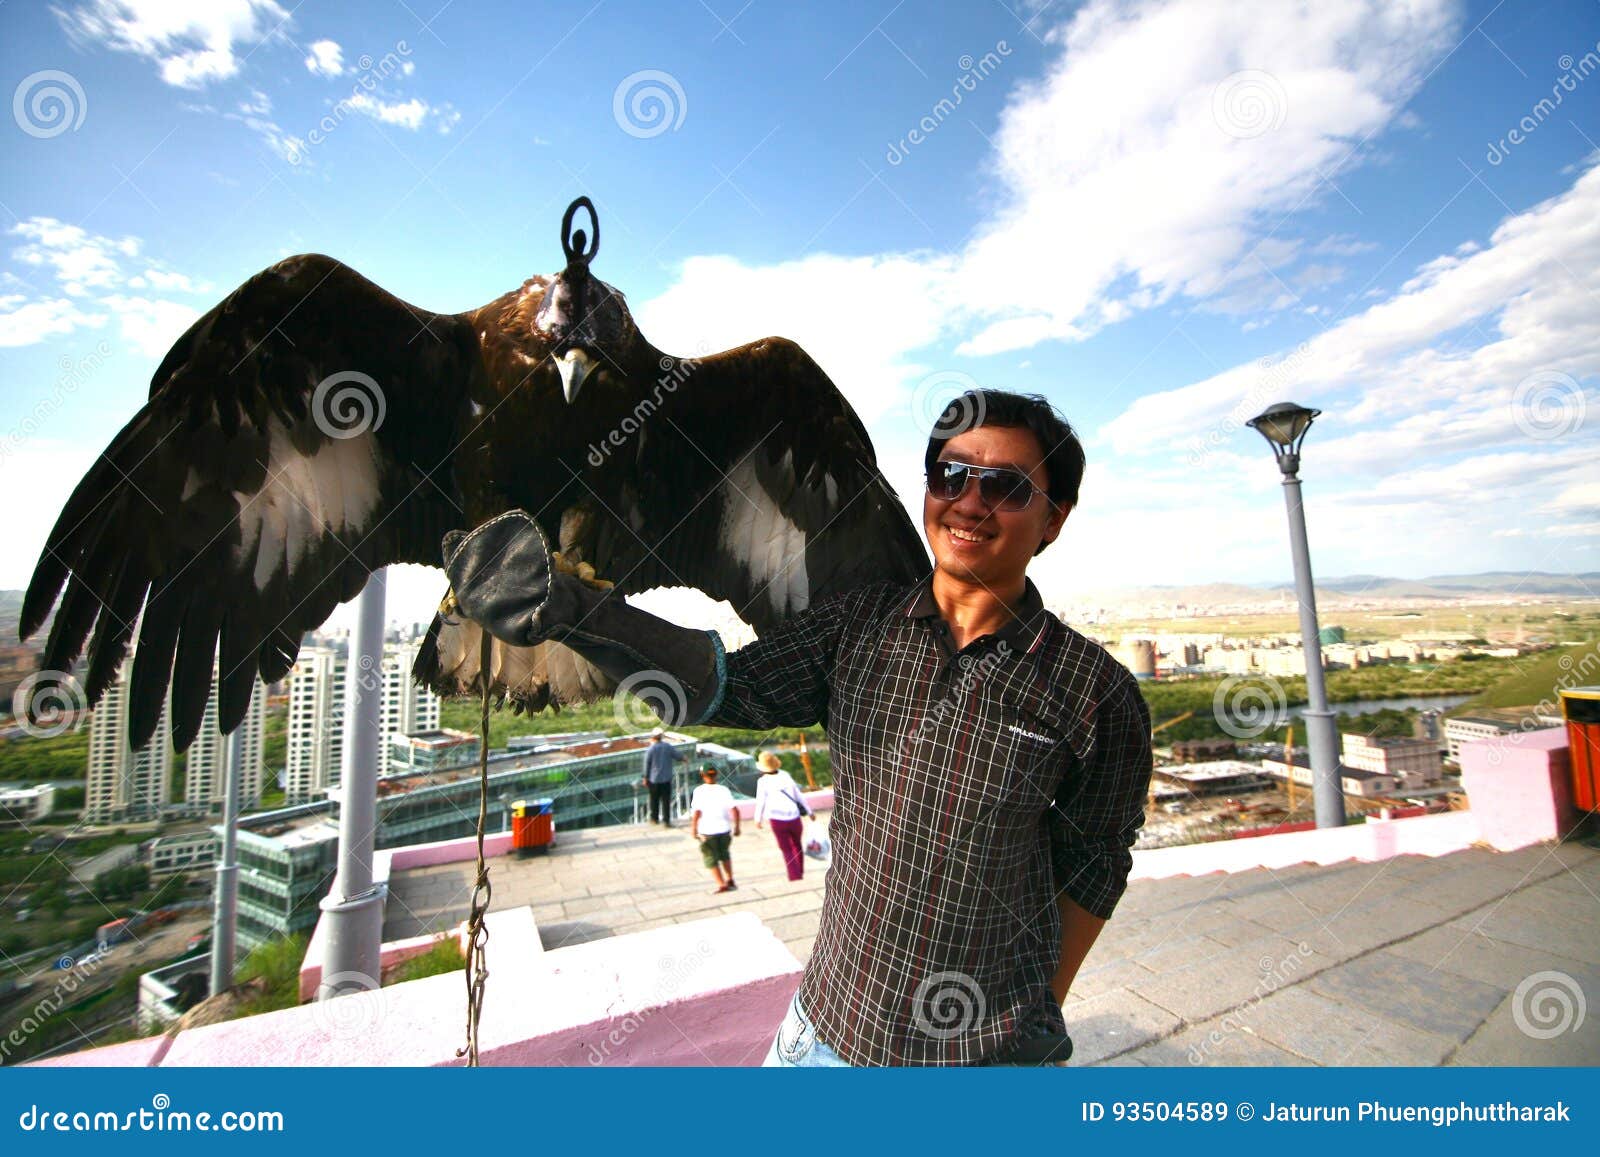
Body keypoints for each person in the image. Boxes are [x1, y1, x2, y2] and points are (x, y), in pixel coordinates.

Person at [443, 388, 1153, 1066]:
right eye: (952, 475)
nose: (970, 501)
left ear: (1054, 516)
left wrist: (1037, 1011)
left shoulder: (1097, 694)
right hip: (825, 1035)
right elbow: (727, 686)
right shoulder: (858, 626)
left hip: (982, 1063)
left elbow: (1095, 863)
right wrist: (581, 615)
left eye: (1005, 485)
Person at [753, 750, 810, 881]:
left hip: (776, 819)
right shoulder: (785, 775)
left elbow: (760, 802)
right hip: (794, 817)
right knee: (797, 845)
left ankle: (794, 875)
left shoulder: (762, 782)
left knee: (786, 849)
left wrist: (758, 819)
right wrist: (810, 811)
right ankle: (799, 871)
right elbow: (798, 795)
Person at [689, 766, 740, 893]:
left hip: (707, 831)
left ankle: (721, 884)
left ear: (702, 775)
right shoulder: (724, 790)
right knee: (725, 854)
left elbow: (697, 813)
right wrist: (737, 827)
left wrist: (694, 829)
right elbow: (735, 810)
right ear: (716, 774)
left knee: (710, 858)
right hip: (724, 829)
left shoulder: (699, 791)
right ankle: (730, 879)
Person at [641, 728, 680, 825]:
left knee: (654, 801)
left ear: (653, 737)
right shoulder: (667, 747)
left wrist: (645, 778)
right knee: (666, 801)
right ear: (661, 736)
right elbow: (677, 755)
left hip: (654, 780)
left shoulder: (651, 749)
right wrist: (684, 758)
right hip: (666, 779)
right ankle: (666, 821)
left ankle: (654, 819)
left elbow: (647, 764)